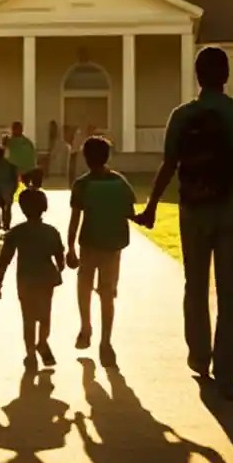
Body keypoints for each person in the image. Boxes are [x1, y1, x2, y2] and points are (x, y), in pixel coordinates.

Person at [134, 47, 233, 400]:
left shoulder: (182, 116)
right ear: (226, 75)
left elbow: (169, 165)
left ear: (197, 76)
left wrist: (150, 207)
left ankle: (199, 357)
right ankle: (226, 373)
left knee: (195, 287)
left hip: (194, 212)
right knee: (229, 295)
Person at [66, 136, 138, 368]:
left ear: (85, 159)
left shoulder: (82, 184)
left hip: (89, 243)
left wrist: (70, 248)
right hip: (113, 245)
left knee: (84, 286)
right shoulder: (120, 182)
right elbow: (129, 211)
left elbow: (75, 219)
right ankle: (105, 340)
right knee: (107, 293)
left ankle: (85, 327)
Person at [0, 189, 65, 371]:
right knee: (45, 316)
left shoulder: (17, 233)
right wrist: (60, 268)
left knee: (28, 318)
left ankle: (31, 352)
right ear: (44, 207)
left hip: (25, 280)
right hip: (47, 279)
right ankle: (42, 341)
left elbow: (5, 260)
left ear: (22, 209)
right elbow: (60, 258)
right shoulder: (51, 232)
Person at [7, 121, 41, 189]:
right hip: (15, 172)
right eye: (15, 129)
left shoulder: (27, 142)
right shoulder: (10, 142)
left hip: (25, 171)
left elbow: (33, 155)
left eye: (18, 129)